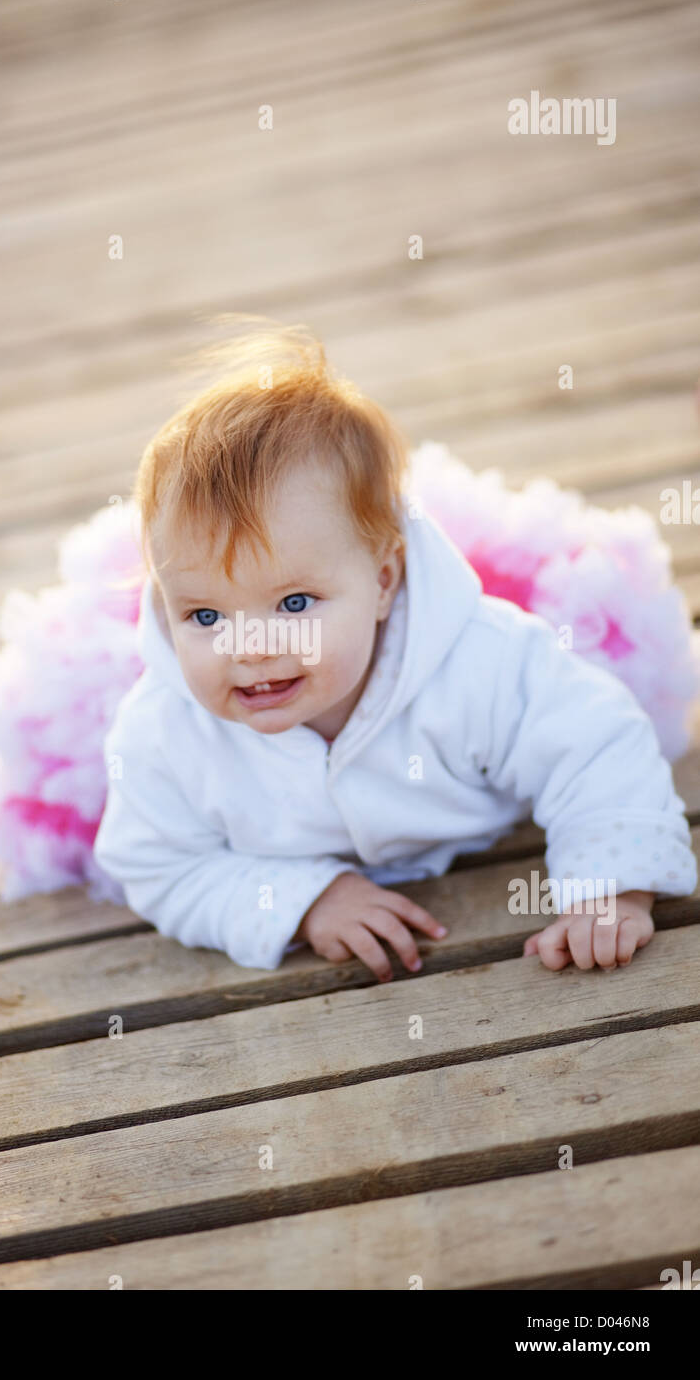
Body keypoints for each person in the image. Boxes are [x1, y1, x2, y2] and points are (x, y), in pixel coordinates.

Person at [91, 322, 697, 979]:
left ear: (383, 581)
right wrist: (302, 900)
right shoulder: (163, 732)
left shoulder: (479, 662)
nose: (251, 646)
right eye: (205, 614)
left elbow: (593, 744)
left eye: (294, 604)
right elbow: (158, 865)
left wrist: (611, 887)